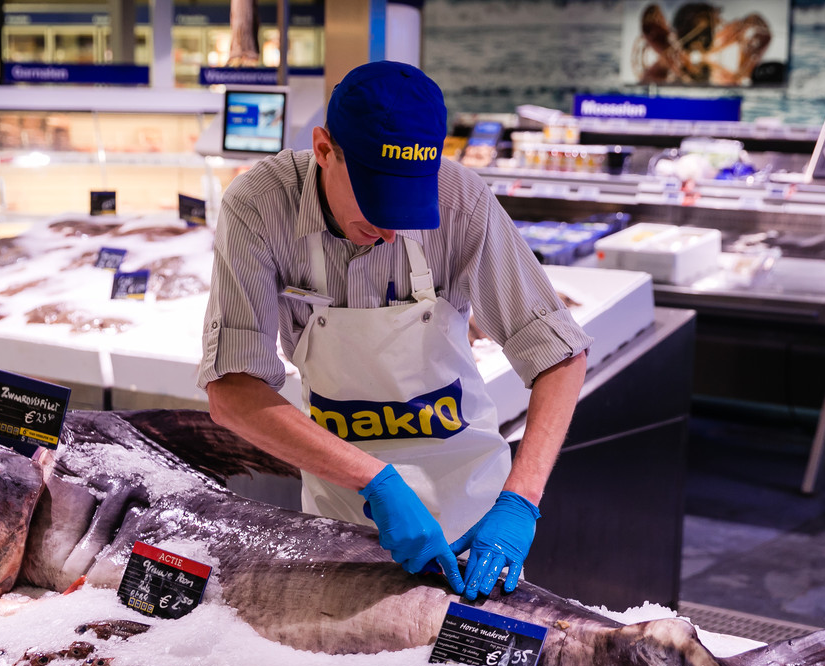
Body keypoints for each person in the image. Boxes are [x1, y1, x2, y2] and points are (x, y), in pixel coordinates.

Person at [198, 60, 591, 600]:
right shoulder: (260, 206)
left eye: (406, 207)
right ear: (324, 149)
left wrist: (520, 500)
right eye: (376, 201)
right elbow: (231, 392)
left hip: (471, 509)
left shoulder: (460, 197)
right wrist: (376, 480)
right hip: (343, 514)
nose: (388, 231)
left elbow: (558, 353)